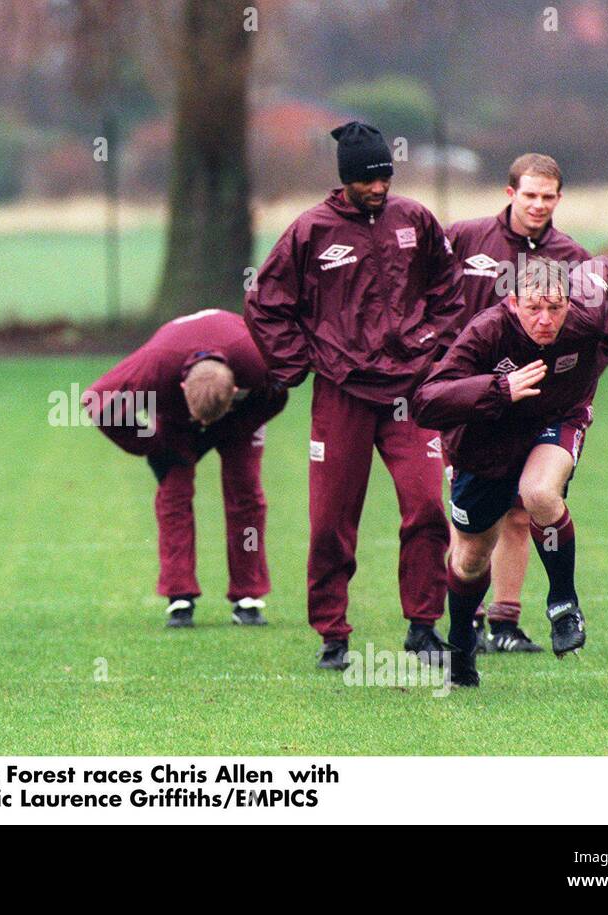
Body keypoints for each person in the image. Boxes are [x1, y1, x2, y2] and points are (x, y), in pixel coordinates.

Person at [245, 121, 466, 671]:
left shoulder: (414, 219)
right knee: (331, 520)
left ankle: (423, 627)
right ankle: (333, 633)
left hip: (412, 393)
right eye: (369, 180)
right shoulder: (310, 232)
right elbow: (266, 304)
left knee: (426, 507)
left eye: (386, 177)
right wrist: (302, 362)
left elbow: (449, 288)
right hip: (343, 394)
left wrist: (430, 347)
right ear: (346, 180)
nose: (380, 188)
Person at [410, 255, 608, 686]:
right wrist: (498, 389)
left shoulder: (586, 310)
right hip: (487, 443)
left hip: (558, 418)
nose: (546, 319)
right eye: (535, 308)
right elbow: (427, 400)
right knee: (470, 558)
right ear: (513, 301)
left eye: (555, 308)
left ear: (569, 302)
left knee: (540, 493)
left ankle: (563, 604)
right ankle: (461, 649)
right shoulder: (487, 331)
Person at [446, 153, 591, 653]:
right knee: (472, 522)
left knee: (526, 505)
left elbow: (598, 325)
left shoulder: (571, 255)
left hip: (538, 402)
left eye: (548, 196)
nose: (538, 204)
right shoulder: (465, 237)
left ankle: (505, 623)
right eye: (529, 194)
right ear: (510, 194)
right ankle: (469, 619)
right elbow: (424, 291)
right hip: (472, 398)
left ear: (559, 199)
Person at [86, 309, 287, 627]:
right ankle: (180, 597)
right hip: (176, 421)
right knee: (174, 495)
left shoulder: (256, 360)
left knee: (245, 492)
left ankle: (247, 596)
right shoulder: (155, 365)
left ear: (236, 389)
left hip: (239, 418)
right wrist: (150, 445)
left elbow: (278, 393)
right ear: (181, 389)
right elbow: (97, 402)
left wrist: (230, 427)